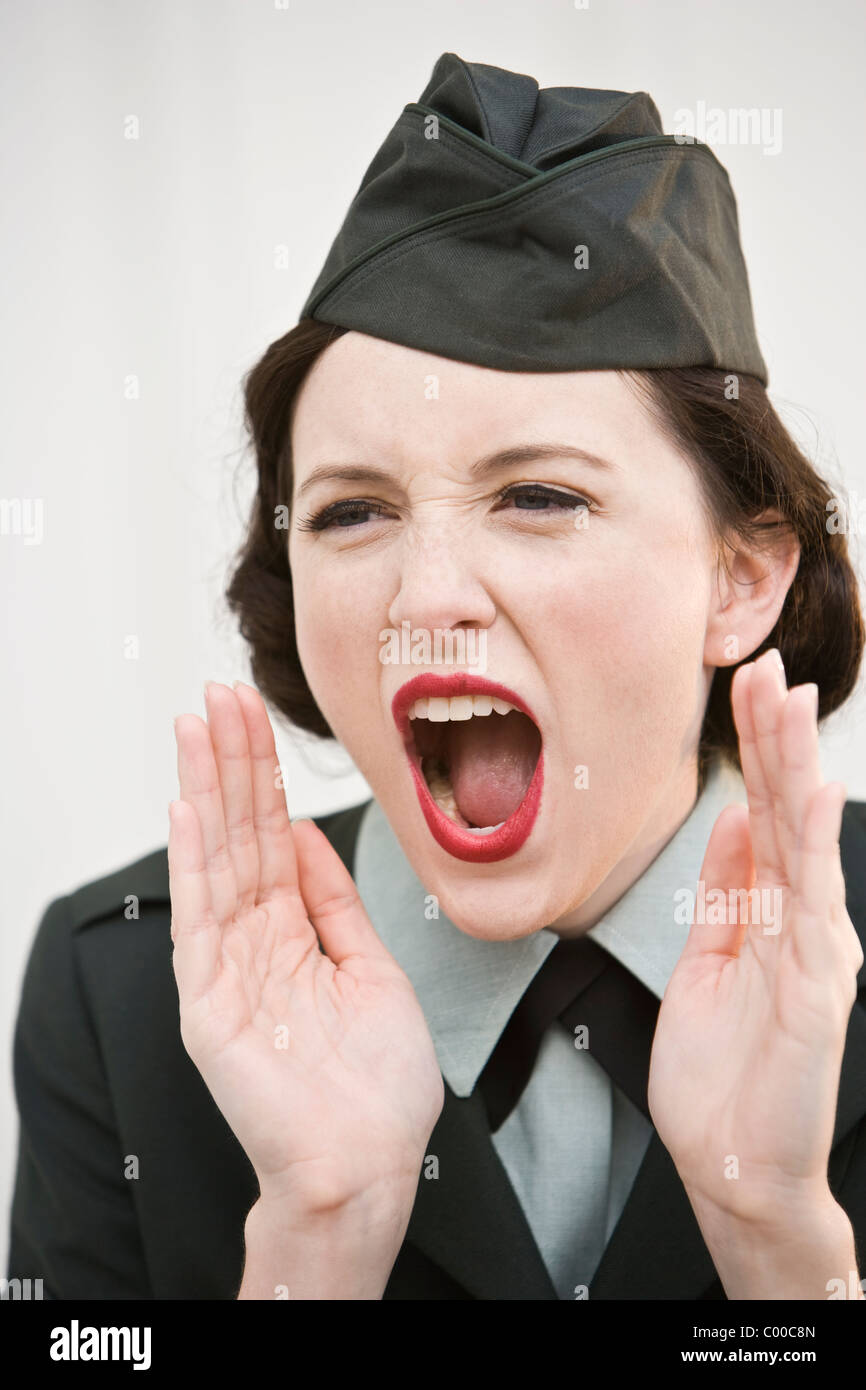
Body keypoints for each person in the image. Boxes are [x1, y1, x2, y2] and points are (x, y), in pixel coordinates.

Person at [7, 53, 866, 1302]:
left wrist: (777, 1241)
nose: (423, 600)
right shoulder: (123, 991)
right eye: (354, 513)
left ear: (740, 578)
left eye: (538, 496)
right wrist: (318, 1239)